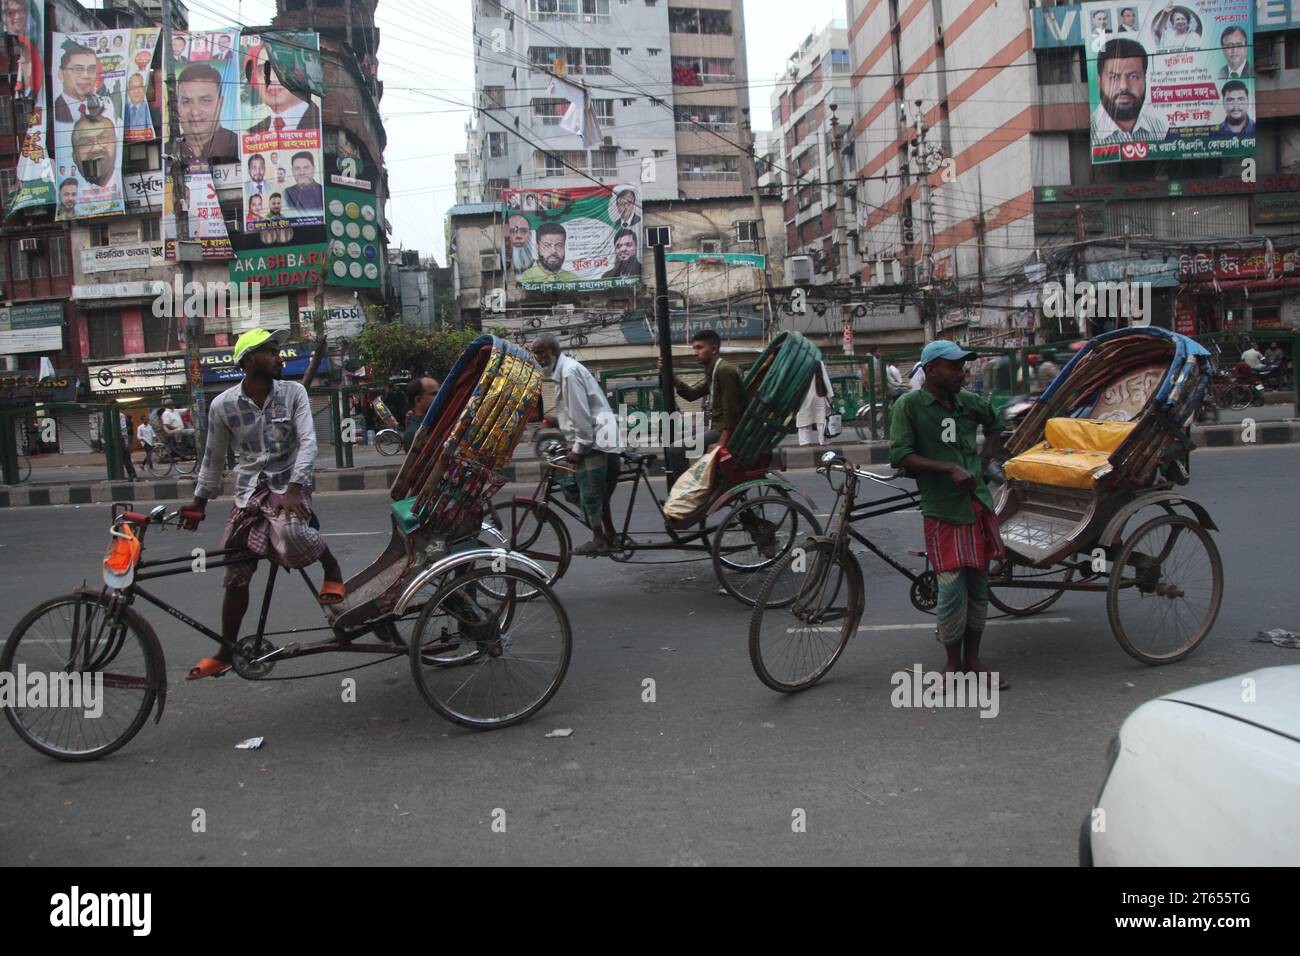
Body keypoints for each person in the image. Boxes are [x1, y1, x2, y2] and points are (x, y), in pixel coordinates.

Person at [180, 328, 345, 681]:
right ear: (249, 359)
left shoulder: (294, 393)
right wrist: (198, 504)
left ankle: (331, 567)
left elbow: (309, 443)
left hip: (291, 486)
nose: (279, 357)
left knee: (292, 536)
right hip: (248, 495)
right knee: (234, 574)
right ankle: (225, 651)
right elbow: (213, 459)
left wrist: (294, 488)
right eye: (271, 351)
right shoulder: (222, 405)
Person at [889, 340, 1007, 688]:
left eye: (962, 367)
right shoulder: (909, 405)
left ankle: (973, 659)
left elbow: (995, 423)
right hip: (942, 508)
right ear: (931, 369)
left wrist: (985, 462)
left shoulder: (967, 402)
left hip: (978, 506)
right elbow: (900, 455)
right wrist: (948, 468)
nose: (961, 373)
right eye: (953, 367)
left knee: (978, 587)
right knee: (951, 588)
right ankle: (953, 663)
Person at [530, 333, 622, 556]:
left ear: (553, 351)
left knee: (587, 493)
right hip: (603, 439)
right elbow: (576, 410)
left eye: (542, 352)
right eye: (536, 354)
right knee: (599, 495)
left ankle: (598, 539)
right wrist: (553, 421)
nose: (539, 358)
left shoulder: (569, 373)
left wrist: (579, 449)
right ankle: (611, 535)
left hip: (595, 442)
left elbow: (580, 414)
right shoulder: (564, 370)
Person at [664, 328, 747, 452]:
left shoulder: (723, 370)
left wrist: (722, 443)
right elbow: (692, 394)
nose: (695, 352)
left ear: (713, 349)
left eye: (699, 348)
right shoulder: (712, 371)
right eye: (694, 348)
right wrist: (669, 373)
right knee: (674, 437)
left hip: (723, 430)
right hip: (714, 426)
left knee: (675, 450)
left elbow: (731, 410)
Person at [1090, 38, 1169, 145]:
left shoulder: (1162, 129)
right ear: (1099, 81)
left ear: (1145, 80)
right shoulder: (1089, 132)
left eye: (1133, 76)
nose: (1124, 86)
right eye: (1113, 77)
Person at [245, 42, 320, 133]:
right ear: (256, 77)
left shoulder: (320, 121)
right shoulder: (251, 134)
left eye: (280, 68)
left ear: (301, 73)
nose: (271, 79)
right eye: (263, 71)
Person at [176, 63, 239, 163]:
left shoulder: (237, 146)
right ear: (177, 106)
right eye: (186, 101)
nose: (195, 112)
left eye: (205, 101)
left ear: (220, 104)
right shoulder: (168, 151)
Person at [53, 44, 116, 134]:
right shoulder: (53, 109)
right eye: (78, 69)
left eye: (91, 69)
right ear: (61, 74)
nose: (86, 76)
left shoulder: (104, 104)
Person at [71, 109, 118, 187]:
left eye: (104, 138)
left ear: (116, 143)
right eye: (85, 142)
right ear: (75, 157)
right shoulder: (70, 188)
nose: (96, 148)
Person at [796, 361, 834, 446]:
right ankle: (823, 441)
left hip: (805, 396)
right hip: (818, 394)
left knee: (804, 419)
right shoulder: (818, 361)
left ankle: (805, 442)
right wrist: (829, 395)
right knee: (821, 419)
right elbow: (825, 378)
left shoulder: (798, 362)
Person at [400, 376, 440, 452]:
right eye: (434, 394)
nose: (440, 397)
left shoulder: (436, 424)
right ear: (418, 400)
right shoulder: (414, 434)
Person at [118, 411, 138, 480]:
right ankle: (132, 474)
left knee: (124, 458)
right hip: (121, 439)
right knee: (126, 458)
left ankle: (130, 474)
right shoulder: (121, 415)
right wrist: (126, 441)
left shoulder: (109, 415)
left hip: (117, 439)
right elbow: (124, 429)